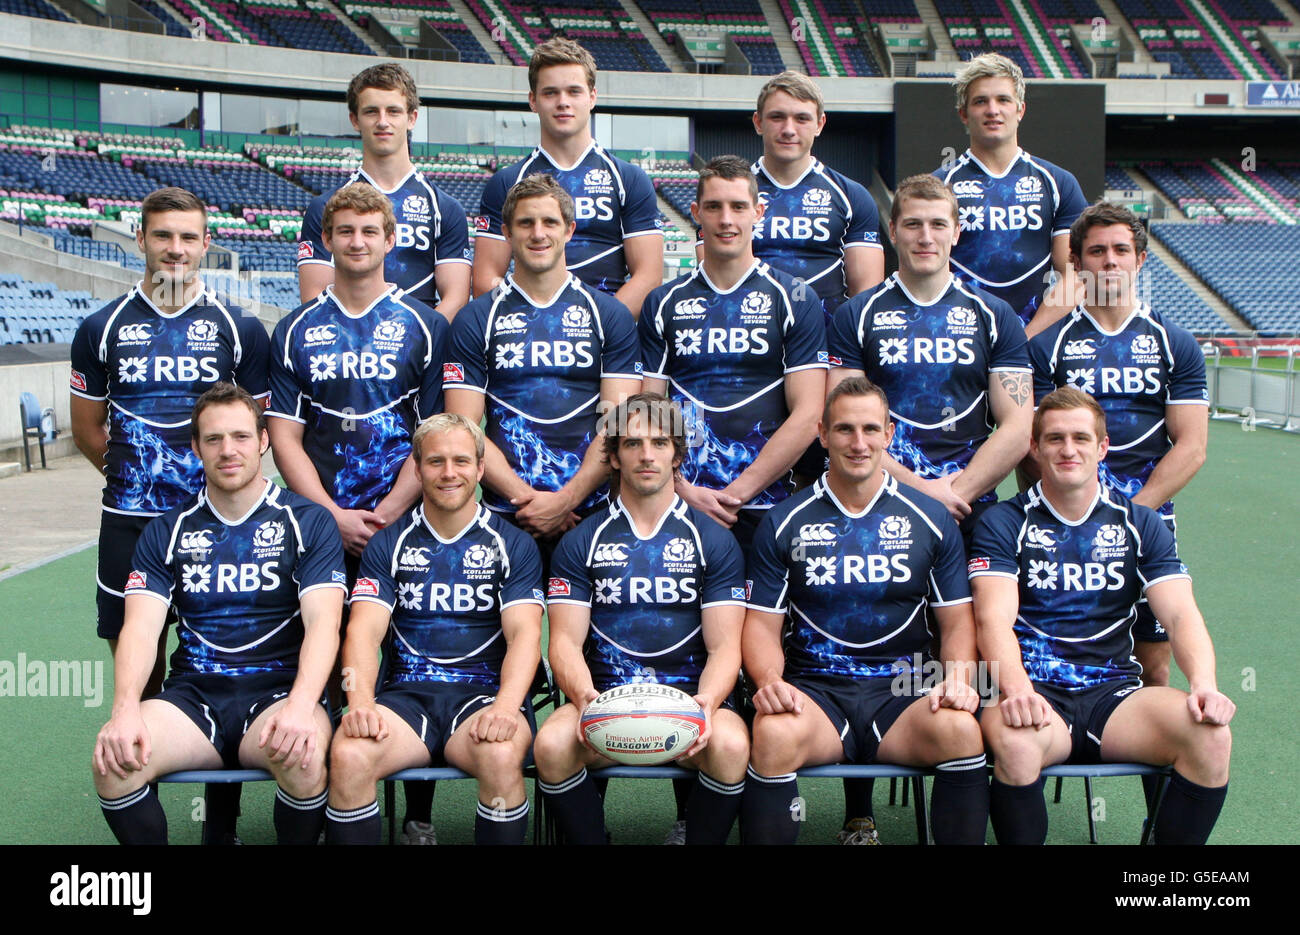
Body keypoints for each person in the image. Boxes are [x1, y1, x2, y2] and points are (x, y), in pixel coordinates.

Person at [825, 173, 1030, 842]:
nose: (924, 235)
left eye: (938, 223)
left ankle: (987, 790)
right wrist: (922, 488)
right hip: (877, 500)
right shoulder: (855, 315)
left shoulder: (994, 316)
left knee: (974, 652)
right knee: (868, 629)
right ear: (893, 231)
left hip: (970, 510)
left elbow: (1019, 420)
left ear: (956, 230)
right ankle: (861, 804)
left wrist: (961, 489)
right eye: (912, 223)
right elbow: (841, 418)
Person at [71, 186, 271, 844]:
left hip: (220, 531)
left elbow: (252, 431)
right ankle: (145, 800)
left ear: (206, 243)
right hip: (130, 528)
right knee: (140, 673)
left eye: (189, 237)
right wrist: (141, 480)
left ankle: (221, 827)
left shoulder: (238, 329)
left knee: (217, 665)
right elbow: (88, 429)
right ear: (141, 240)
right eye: (164, 236)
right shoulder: (100, 328)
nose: (176, 249)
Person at [969, 386, 1232, 844]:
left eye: (1080, 438)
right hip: (1034, 691)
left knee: (1210, 735)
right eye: (1054, 438)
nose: (1067, 450)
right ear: (1034, 447)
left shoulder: (1141, 522)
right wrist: (1016, 690)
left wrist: (1205, 686)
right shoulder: (1004, 522)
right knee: (1015, 740)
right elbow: (993, 620)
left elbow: (1181, 616)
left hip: (1114, 696)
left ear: (1102, 447)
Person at [91, 384, 346, 844]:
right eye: (213, 439)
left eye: (241, 437)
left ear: (264, 441)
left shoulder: (307, 520)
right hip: (195, 699)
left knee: (303, 756)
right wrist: (124, 710)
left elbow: (324, 624)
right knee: (114, 763)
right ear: (196, 447)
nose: (228, 450)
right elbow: (141, 629)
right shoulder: (166, 530)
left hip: (278, 691)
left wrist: (302, 706)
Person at [740, 377, 988, 845]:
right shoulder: (783, 521)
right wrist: (771, 683)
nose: (859, 443)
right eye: (845, 430)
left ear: (889, 435)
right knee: (773, 735)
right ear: (822, 433)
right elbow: (760, 627)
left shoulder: (930, 520)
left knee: (960, 731)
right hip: (816, 689)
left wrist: (958, 680)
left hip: (904, 687)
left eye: (871, 430)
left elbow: (957, 622)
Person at [273, 183, 448, 843]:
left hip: (404, 520)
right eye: (344, 231)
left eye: (369, 231)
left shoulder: (426, 325)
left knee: (413, 656)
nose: (356, 242)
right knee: (319, 654)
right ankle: (324, 794)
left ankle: (420, 817)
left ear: (390, 239)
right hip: (320, 527)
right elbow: (284, 434)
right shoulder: (295, 327)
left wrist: (388, 510)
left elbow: (435, 432)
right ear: (327, 239)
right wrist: (328, 514)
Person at [534, 394, 750, 845]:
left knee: (730, 746)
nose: (647, 455)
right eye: (632, 443)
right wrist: (586, 700)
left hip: (690, 697)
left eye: (659, 442)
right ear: (613, 455)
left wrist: (706, 704)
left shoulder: (712, 540)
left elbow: (725, 647)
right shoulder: (581, 542)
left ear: (677, 453)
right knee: (552, 747)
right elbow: (564, 645)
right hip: (604, 696)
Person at [324, 414, 544, 845]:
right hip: (406, 699)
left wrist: (505, 707)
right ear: (418, 467)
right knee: (349, 754)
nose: (448, 473)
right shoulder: (388, 543)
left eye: (461, 461)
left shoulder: (513, 543)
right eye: (436, 461)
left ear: (480, 469)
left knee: (500, 757)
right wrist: (362, 703)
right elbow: (363, 633)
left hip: (482, 698)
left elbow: (525, 636)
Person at [1028, 202, 1208, 692]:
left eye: (1121, 250)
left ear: (1140, 260)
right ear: (1078, 263)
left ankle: (1163, 761)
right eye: (1097, 251)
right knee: (1053, 659)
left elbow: (1192, 446)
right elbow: (1034, 444)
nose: (1109, 261)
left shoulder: (1175, 342)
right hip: (1061, 522)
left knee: (1155, 669)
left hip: (1148, 520)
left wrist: (1132, 513)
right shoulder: (1047, 346)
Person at [445, 173, 641, 564]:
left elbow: (618, 424)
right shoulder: (475, 319)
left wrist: (567, 499)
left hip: (594, 515)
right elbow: (463, 427)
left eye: (549, 222)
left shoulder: (609, 316)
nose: (538, 233)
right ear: (506, 232)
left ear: (569, 230)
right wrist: (528, 500)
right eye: (525, 223)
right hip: (507, 515)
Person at [640, 154, 827, 551]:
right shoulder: (662, 303)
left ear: (758, 212)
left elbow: (809, 413)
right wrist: (682, 490)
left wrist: (737, 493)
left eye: (738, 207)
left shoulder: (794, 297)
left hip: (769, 506)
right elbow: (645, 413)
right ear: (696, 213)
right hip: (679, 504)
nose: (726, 220)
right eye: (714, 207)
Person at [472, 38, 663, 315]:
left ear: (592, 97)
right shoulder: (505, 183)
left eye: (574, 92)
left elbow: (648, 277)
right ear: (533, 101)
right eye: (551, 93)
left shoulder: (629, 179)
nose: (563, 102)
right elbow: (485, 279)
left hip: (604, 335)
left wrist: (598, 327)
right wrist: (534, 320)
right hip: (528, 330)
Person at [297, 62, 471, 321]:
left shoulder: (444, 208)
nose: (382, 122)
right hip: (346, 346)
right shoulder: (324, 208)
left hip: (420, 346)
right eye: (371, 112)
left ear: (411, 118)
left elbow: (455, 298)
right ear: (355, 120)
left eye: (393, 111)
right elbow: (314, 296)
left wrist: (419, 340)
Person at [933, 53, 1087, 337]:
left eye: (1003, 100)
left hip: (1037, 339)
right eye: (981, 101)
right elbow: (924, 274)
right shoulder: (938, 187)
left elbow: (1076, 275)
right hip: (958, 337)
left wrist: (1025, 340)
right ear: (964, 114)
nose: (993, 110)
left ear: (1020, 109)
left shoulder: (1058, 183)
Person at [748, 70, 884, 323]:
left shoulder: (852, 196)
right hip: (749, 333)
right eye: (777, 117)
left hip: (826, 336)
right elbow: (714, 275)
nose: (789, 130)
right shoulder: (729, 194)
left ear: (819, 124)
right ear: (758, 122)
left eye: (802, 118)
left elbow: (865, 296)